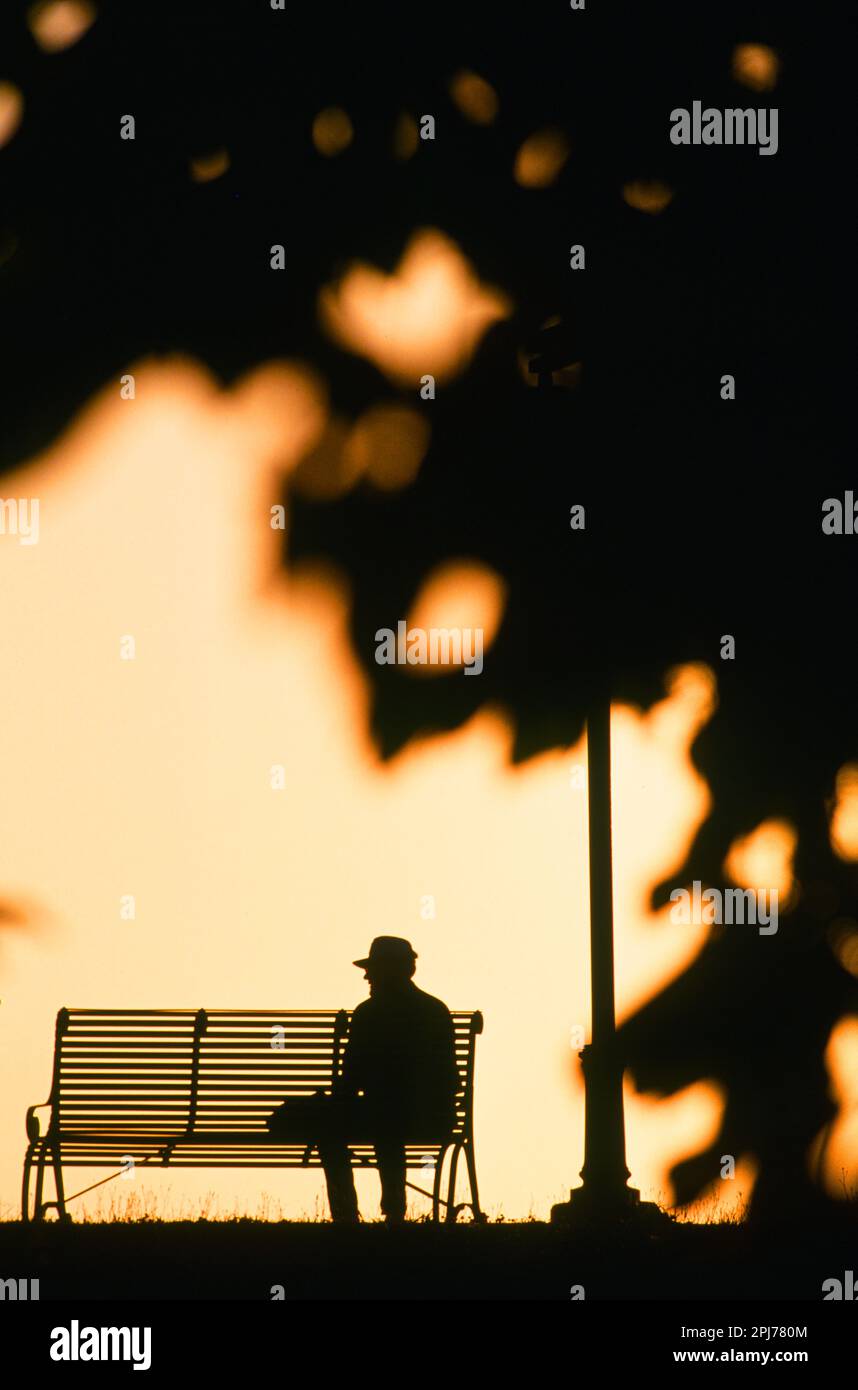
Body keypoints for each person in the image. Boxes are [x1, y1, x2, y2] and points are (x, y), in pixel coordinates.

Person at [269, 936, 459, 1223]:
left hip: (385, 1115)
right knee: (386, 1117)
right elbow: (451, 1080)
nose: (367, 976)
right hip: (433, 1117)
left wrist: (328, 1104)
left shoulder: (369, 1014)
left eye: (373, 969)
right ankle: (393, 1210)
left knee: (338, 1127)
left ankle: (346, 1215)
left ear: (389, 970)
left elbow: (351, 1079)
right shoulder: (435, 1010)